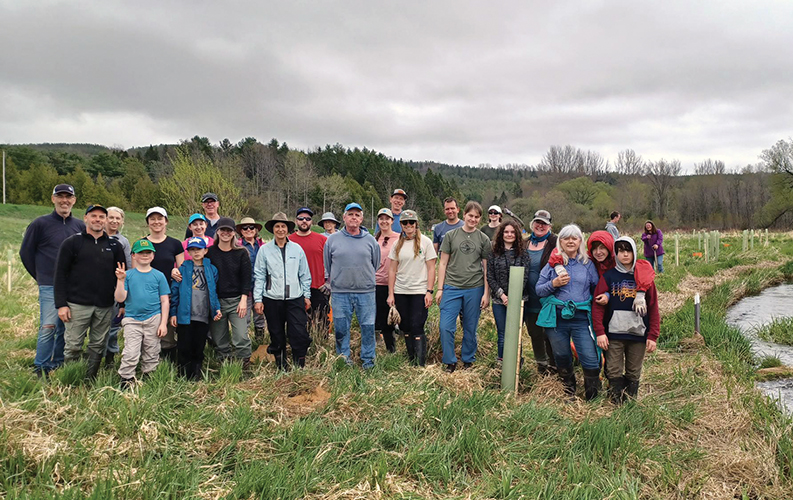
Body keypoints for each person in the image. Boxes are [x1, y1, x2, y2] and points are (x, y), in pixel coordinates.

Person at [20, 184, 85, 377]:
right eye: (60, 196)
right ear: (53, 199)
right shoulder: (40, 224)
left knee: (66, 327)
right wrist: (40, 276)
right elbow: (26, 253)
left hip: (72, 286)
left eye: (68, 197)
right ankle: (40, 366)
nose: (64, 200)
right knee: (49, 326)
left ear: (73, 200)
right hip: (49, 285)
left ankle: (57, 363)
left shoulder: (79, 226)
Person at [55, 205, 126, 381]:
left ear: (106, 220)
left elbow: (122, 277)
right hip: (77, 304)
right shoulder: (72, 243)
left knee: (97, 345)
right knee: (73, 346)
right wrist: (61, 304)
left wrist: (122, 304)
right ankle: (71, 378)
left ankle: (89, 378)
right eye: (93, 216)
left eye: (102, 217)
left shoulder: (115, 246)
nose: (98, 220)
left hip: (104, 304)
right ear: (85, 218)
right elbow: (60, 275)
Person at [536, 224, 600, 401]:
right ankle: (569, 390)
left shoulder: (587, 265)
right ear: (560, 241)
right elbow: (539, 290)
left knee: (589, 356)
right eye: (566, 238)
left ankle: (593, 396)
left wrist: (605, 297)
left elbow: (597, 288)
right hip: (556, 319)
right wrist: (554, 284)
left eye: (574, 238)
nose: (570, 241)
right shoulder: (551, 266)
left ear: (580, 241)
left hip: (581, 319)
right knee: (562, 355)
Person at [593, 237, 660, 403]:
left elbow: (653, 308)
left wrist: (653, 336)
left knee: (633, 371)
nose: (624, 254)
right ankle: (616, 403)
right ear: (615, 254)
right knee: (613, 370)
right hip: (614, 334)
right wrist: (600, 332)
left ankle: (630, 403)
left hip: (638, 335)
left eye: (628, 250)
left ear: (634, 252)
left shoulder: (645, 278)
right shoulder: (609, 277)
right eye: (620, 251)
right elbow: (597, 306)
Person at [323, 202, 380, 368]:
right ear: (344, 217)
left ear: (361, 218)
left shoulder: (371, 241)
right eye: (350, 214)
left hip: (366, 292)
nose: (353, 217)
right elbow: (328, 264)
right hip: (341, 293)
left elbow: (375, 264)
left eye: (357, 215)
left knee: (368, 327)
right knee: (341, 327)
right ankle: (343, 358)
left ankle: (368, 360)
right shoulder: (332, 240)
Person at [436, 201, 491, 372]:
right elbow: (443, 263)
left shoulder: (483, 239)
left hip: (475, 288)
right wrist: (440, 289)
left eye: (476, 217)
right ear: (464, 215)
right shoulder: (451, 236)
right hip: (452, 286)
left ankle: (468, 358)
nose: (473, 219)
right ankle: (449, 360)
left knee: (470, 326)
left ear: (480, 219)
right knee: (446, 326)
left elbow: (486, 267)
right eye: (470, 216)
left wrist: (486, 293)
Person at [253, 213, 313, 370]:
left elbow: (304, 274)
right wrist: (258, 299)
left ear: (288, 229)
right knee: (276, 333)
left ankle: (299, 365)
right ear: (273, 229)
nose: (280, 229)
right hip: (272, 298)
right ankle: (281, 365)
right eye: (277, 226)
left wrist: (306, 295)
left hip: (295, 298)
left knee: (298, 332)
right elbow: (259, 275)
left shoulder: (297, 249)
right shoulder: (264, 250)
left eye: (283, 226)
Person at [113, 239, 170, 389]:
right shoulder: (128, 275)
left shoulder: (159, 276)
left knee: (152, 349)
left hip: (154, 318)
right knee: (131, 351)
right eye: (141, 253)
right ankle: (126, 378)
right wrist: (120, 281)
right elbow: (120, 298)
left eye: (148, 253)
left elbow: (164, 301)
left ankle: (149, 374)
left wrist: (163, 323)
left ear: (153, 255)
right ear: (133, 256)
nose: (144, 255)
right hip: (132, 320)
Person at [387, 210, 436, 366]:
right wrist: (391, 294)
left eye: (411, 223)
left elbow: (431, 268)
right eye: (405, 223)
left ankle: (420, 364)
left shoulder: (426, 243)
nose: (409, 226)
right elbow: (392, 270)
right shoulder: (397, 244)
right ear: (401, 225)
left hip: (419, 291)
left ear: (416, 224)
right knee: (405, 326)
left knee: (417, 325)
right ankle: (411, 360)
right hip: (401, 291)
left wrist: (429, 291)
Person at [170, 237, 222, 380]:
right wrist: (173, 313)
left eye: (198, 249)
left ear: (205, 250)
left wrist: (216, 308)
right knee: (184, 346)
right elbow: (175, 291)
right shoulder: (183, 268)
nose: (196, 252)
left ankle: (195, 375)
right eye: (192, 250)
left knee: (198, 347)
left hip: (203, 315)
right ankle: (182, 375)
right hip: (185, 316)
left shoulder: (212, 269)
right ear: (189, 253)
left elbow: (214, 291)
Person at [205, 218, 252, 367]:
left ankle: (243, 364)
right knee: (220, 337)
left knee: (241, 336)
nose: (225, 233)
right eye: (222, 230)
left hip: (237, 300)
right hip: (216, 301)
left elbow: (247, 279)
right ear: (217, 232)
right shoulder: (209, 253)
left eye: (229, 230)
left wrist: (244, 299)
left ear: (234, 233)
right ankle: (224, 363)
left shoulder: (241, 253)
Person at [143, 207, 185, 361]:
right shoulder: (142, 243)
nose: (156, 222)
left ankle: (167, 365)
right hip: (147, 294)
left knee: (167, 331)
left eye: (160, 218)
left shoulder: (175, 244)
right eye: (152, 219)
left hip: (169, 293)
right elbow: (135, 272)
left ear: (166, 221)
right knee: (148, 331)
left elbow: (182, 270)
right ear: (148, 222)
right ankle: (149, 361)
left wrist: (176, 271)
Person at [486, 220, 530, 364]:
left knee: (515, 333)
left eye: (512, 232)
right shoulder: (493, 252)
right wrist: (502, 295)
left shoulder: (523, 253)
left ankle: (517, 362)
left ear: (516, 234)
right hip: (499, 300)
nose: (509, 234)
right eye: (506, 232)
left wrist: (514, 296)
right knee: (502, 332)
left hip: (519, 299)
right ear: (501, 234)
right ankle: (502, 361)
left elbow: (525, 275)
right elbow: (490, 276)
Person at [523, 210, 558, 375]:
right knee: (534, 334)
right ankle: (541, 366)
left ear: (549, 226)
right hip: (529, 299)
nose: (540, 226)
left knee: (550, 335)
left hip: (549, 298)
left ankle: (555, 366)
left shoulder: (556, 243)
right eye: (538, 222)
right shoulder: (524, 243)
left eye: (544, 223)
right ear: (532, 224)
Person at [288, 208, 330, 333]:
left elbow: (332, 261)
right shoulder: (289, 240)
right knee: (299, 321)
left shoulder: (322, 240)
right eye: (301, 218)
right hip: (296, 288)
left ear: (312, 222)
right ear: (296, 221)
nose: (304, 221)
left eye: (307, 219)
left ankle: (320, 347)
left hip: (318, 286)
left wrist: (329, 282)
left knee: (321, 321)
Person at [103, 206, 133, 369]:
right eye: (111, 217)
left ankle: (110, 356)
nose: (114, 221)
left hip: (116, 289)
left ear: (122, 221)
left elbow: (128, 267)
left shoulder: (123, 242)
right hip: (95, 288)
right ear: (105, 219)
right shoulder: (95, 237)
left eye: (118, 218)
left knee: (113, 325)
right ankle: (94, 355)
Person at [373, 208, 398, 352]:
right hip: (377, 283)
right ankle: (384, 348)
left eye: (387, 218)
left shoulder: (399, 238)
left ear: (392, 221)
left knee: (394, 316)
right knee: (381, 317)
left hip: (395, 283)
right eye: (381, 218)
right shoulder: (374, 239)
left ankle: (396, 347)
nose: (384, 221)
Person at [237, 217, 266, 340]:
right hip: (245, 286)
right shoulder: (237, 246)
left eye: (251, 227)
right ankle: (245, 341)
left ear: (256, 230)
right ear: (241, 231)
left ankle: (260, 339)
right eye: (245, 228)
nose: (248, 230)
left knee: (260, 314)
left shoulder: (262, 245)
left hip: (261, 285)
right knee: (245, 315)